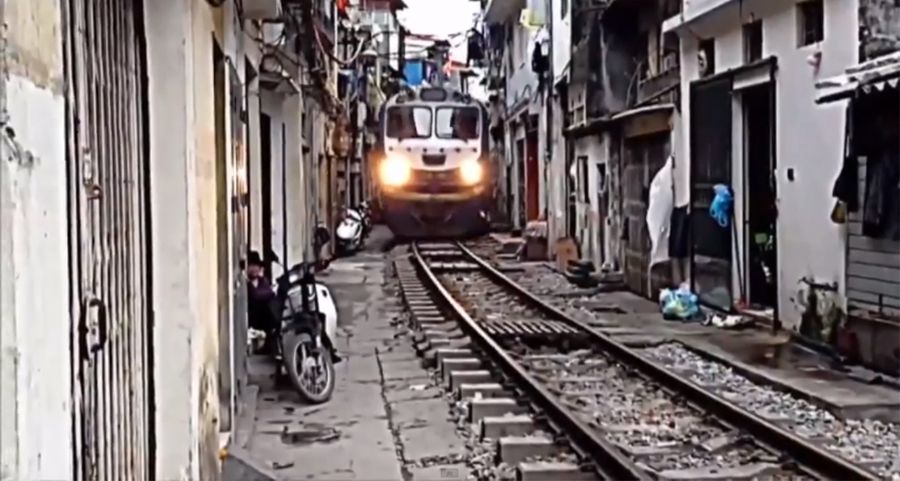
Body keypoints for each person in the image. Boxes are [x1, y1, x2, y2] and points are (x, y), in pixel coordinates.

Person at [247, 250, 278, 353]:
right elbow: (255, 295)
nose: (254, 269)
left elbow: (270, 293)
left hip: (264, 316)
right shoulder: (246, 284)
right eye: (252, 265)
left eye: (256, 266)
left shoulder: (262, 281)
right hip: (252, 316)